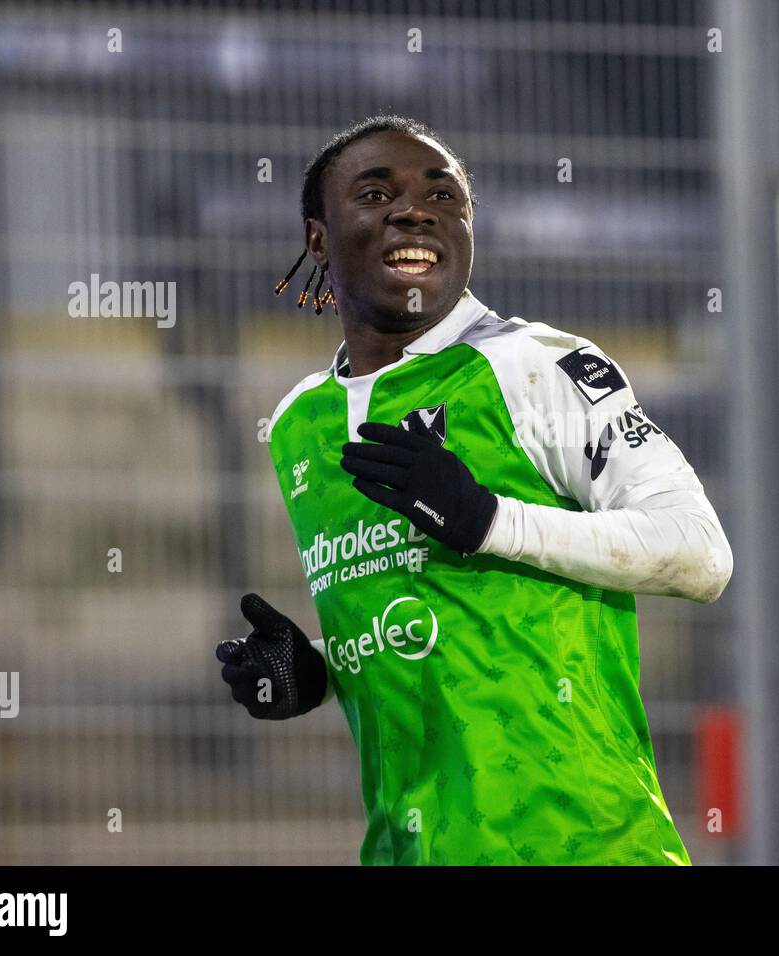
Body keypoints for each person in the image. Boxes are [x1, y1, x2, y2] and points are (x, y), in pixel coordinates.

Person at [216, 115, 733, 865]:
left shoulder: (537, 367)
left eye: (443, 195)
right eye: (374, 192)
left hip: (585, 846)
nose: (414, 209)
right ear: (319, 239)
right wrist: (321, 675)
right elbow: (428, 617)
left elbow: (702, 554)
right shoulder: (300, 423)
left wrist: (488, 518)